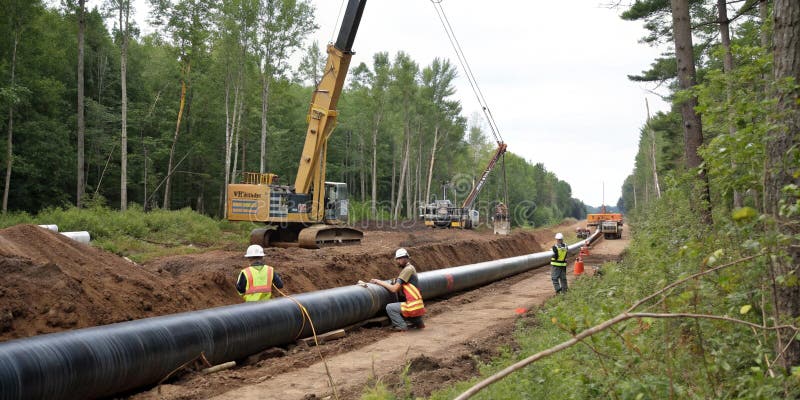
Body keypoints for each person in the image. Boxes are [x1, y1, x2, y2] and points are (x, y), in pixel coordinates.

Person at [370, 248, 426, 331]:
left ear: (403, 258)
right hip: (419, 305)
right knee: (403, 305)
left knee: (390, 307)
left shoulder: (407, 270)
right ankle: (418, 322)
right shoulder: (411, 268)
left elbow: (394, 289)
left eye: (398, 259)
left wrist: (378, 281)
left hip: (412, 306)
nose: (397, 262)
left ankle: (401, 326)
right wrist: (396, 281)